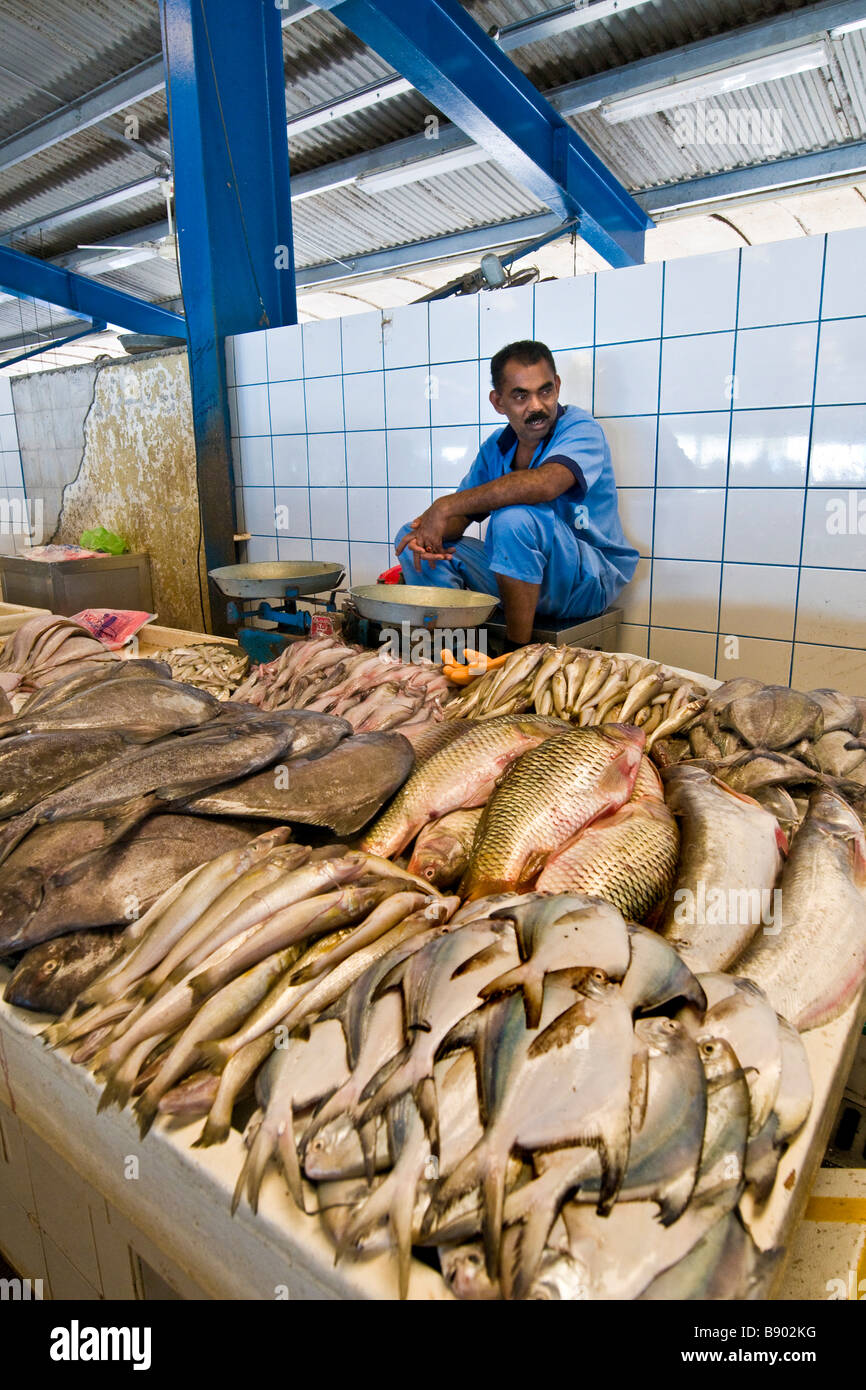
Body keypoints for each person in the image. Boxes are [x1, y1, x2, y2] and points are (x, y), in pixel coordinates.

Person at [394, 339, 638, 649]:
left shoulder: (580, 428)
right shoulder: (497, 447)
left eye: (545, 391)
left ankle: (515, 652)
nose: (536, 406)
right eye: (521, 396)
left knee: (513, 518)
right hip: (522, 578)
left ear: (558, 386)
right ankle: (449, 651)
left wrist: (444, 505)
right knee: (411, 538)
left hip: (586, 582)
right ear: (498, 402)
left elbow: (545, 484)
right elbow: (459, 518)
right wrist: (428, 531)